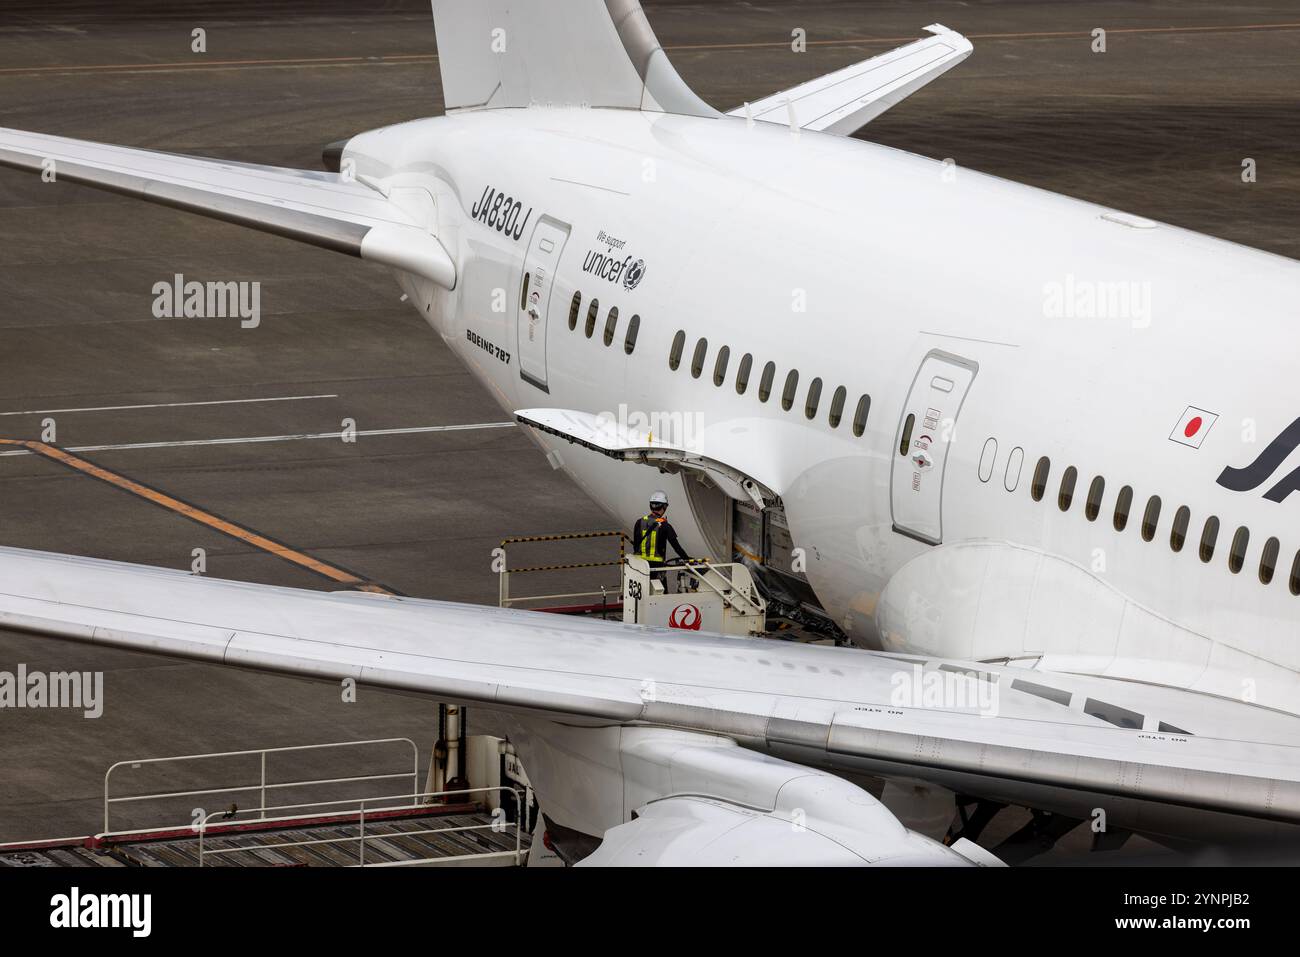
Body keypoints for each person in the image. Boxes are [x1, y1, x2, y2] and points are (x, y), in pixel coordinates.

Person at [632, 490, 690, 584]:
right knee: (660, 594)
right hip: (657, 568)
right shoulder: (665, 525)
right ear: (664, 506)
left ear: (651, 506)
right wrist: (688, 559)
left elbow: (635, 545)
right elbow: (677, 547)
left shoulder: (639, 522)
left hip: (640, 566)